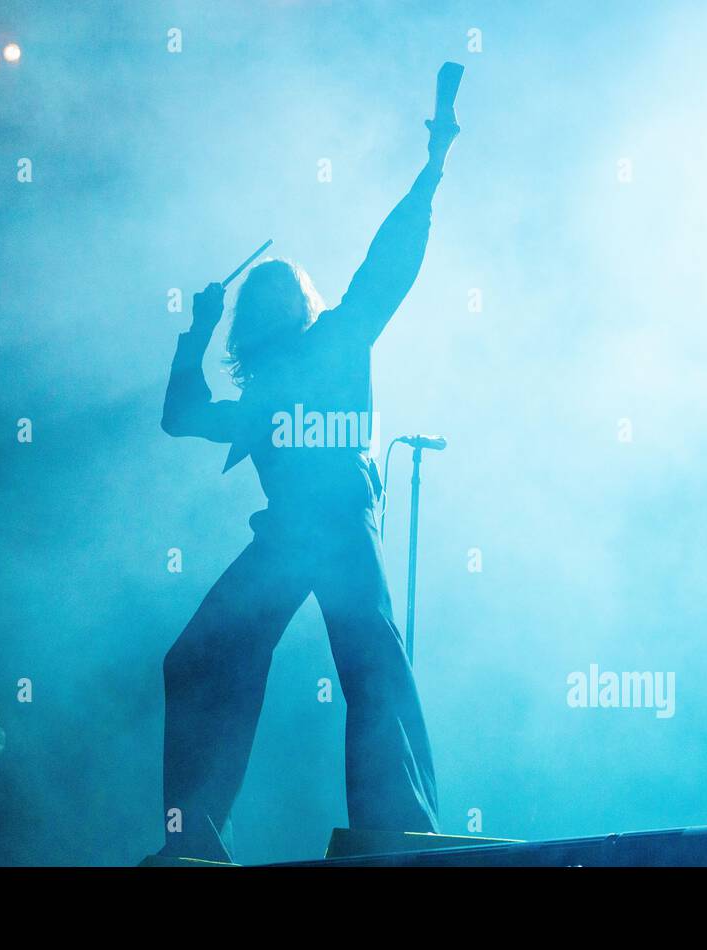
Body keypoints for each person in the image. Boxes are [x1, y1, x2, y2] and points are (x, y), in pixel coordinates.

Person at [158, 75, 459, 862]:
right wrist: (195, 333)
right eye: (254, 302)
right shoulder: (260, 396)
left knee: (370, 662)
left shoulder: (336, 341)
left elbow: (386, 264)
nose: (267, 304)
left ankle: (398, 833)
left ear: (301, 304)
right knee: (199, 656)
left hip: (336, 522)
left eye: (277, 292)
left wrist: (431, 168)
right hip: (290, 534)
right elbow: (181, 417)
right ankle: (193, 842)